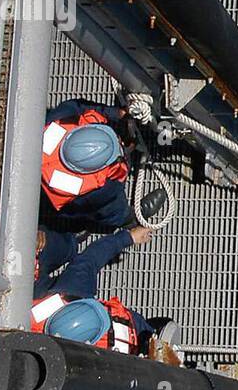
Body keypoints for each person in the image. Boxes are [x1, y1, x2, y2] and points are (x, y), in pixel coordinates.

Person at [29, 224, 178, 357]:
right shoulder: (73, 292)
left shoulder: (74, 289)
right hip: (131, 337)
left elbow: (90, 259)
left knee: (37, 243)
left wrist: (129, 237)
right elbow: (90, 259)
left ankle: (69, 243)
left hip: (35, 295)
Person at [42, 98, 132, 233]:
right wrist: (127, 158)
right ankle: (127, 220)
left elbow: (77, 107)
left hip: (46, 188)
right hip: (61, 204)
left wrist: (115, 113)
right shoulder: (93, 192)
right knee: (112, 207)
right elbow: (115, 188)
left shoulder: (58, 119)